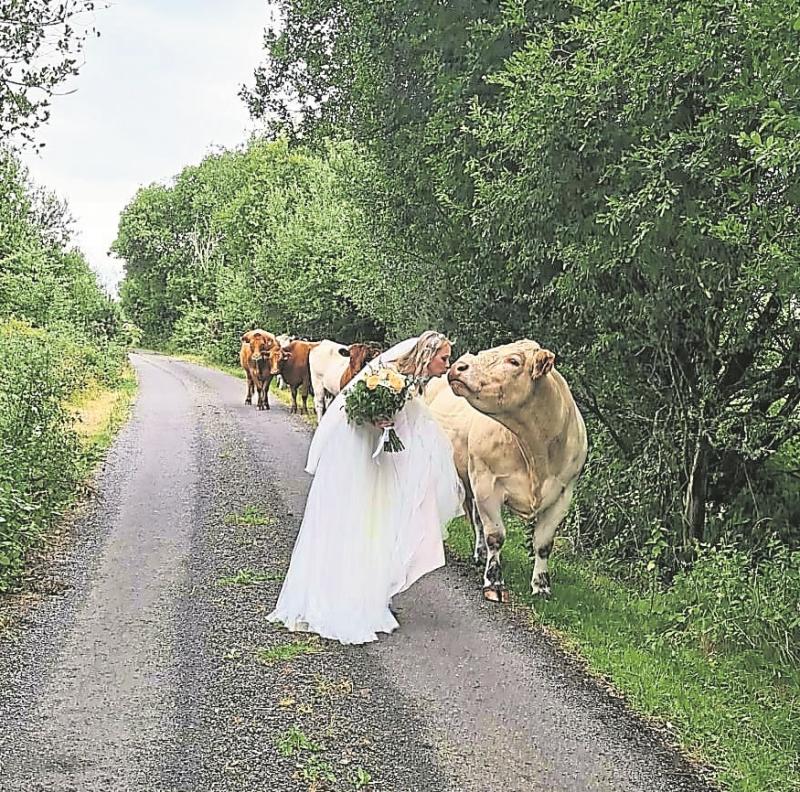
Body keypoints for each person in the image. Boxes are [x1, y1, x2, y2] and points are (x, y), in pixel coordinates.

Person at [268, 331, 464, 644]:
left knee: (376, 520)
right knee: (354, 516)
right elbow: (353, 407)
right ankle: (341, 598)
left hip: (378, 455)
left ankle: (366, 590)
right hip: (357, 451)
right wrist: (376, 419)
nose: (447, 364)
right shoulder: (389, 375)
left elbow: (412, 422)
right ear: (427, 356)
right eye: (444, 358)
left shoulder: (411, 381)